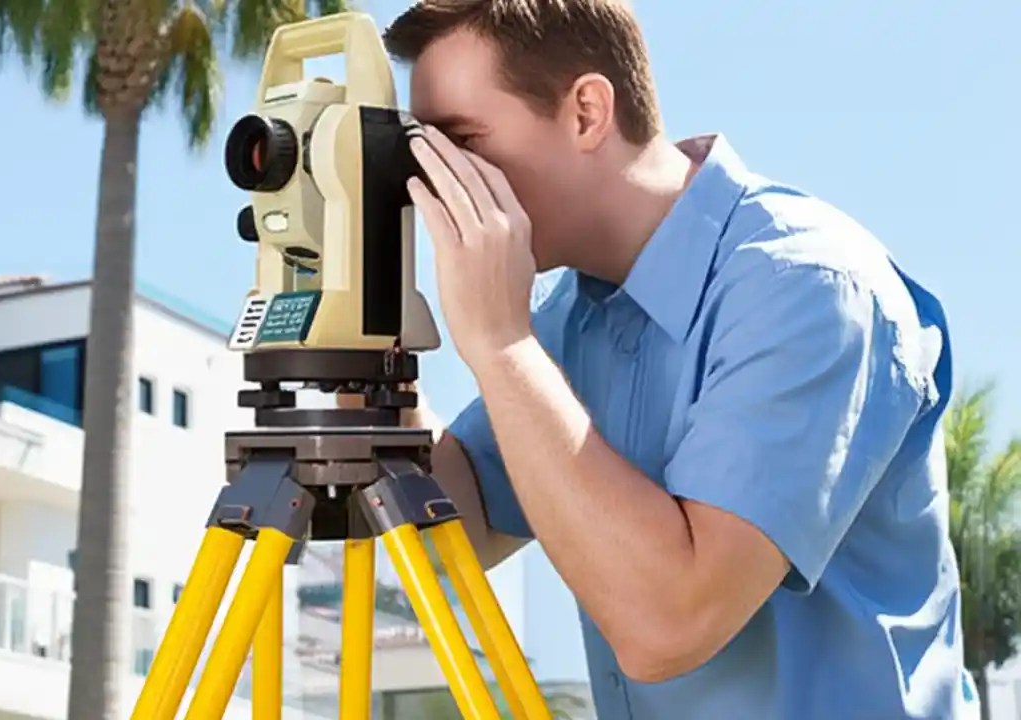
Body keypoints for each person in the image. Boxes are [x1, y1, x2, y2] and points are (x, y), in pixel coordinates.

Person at [377, 0, 977, 717]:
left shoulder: (807, 287)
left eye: (461, 146)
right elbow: (455, 531)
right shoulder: (572, 318)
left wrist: (503, 348)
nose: (439, 185)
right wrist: (365, 342)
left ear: (587, 113)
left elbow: (669, 623)